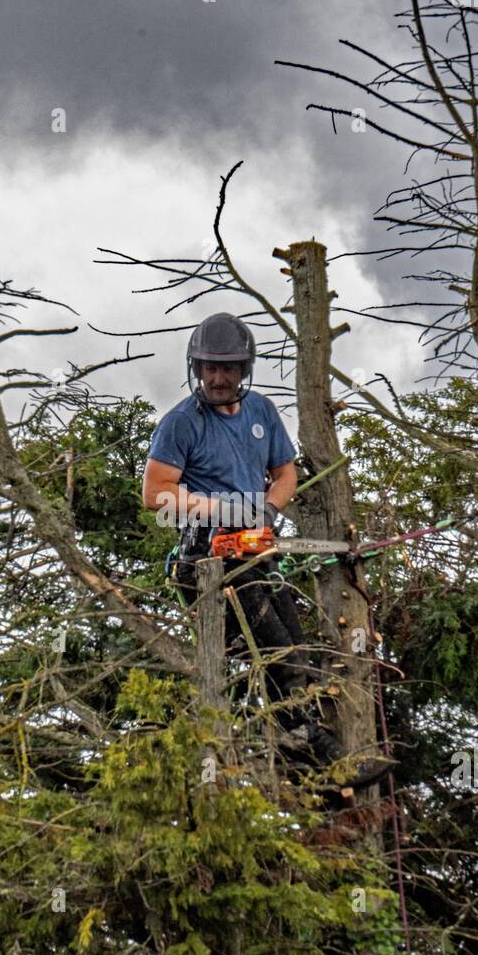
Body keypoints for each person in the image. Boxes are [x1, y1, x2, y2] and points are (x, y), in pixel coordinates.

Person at [141, 311, 393, 789]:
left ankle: (303, 758)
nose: (217, 379)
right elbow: (155, 494)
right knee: (278, 652)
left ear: (245, 369)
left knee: (296, 647)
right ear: (196, 368)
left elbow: (285, 472)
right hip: (207, 561)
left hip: (256, 556)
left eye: (228, 369)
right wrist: (221, 508)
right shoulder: (181, 423)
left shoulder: (261, 413)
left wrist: (266, 510)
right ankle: (307, 745)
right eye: (209, 369)